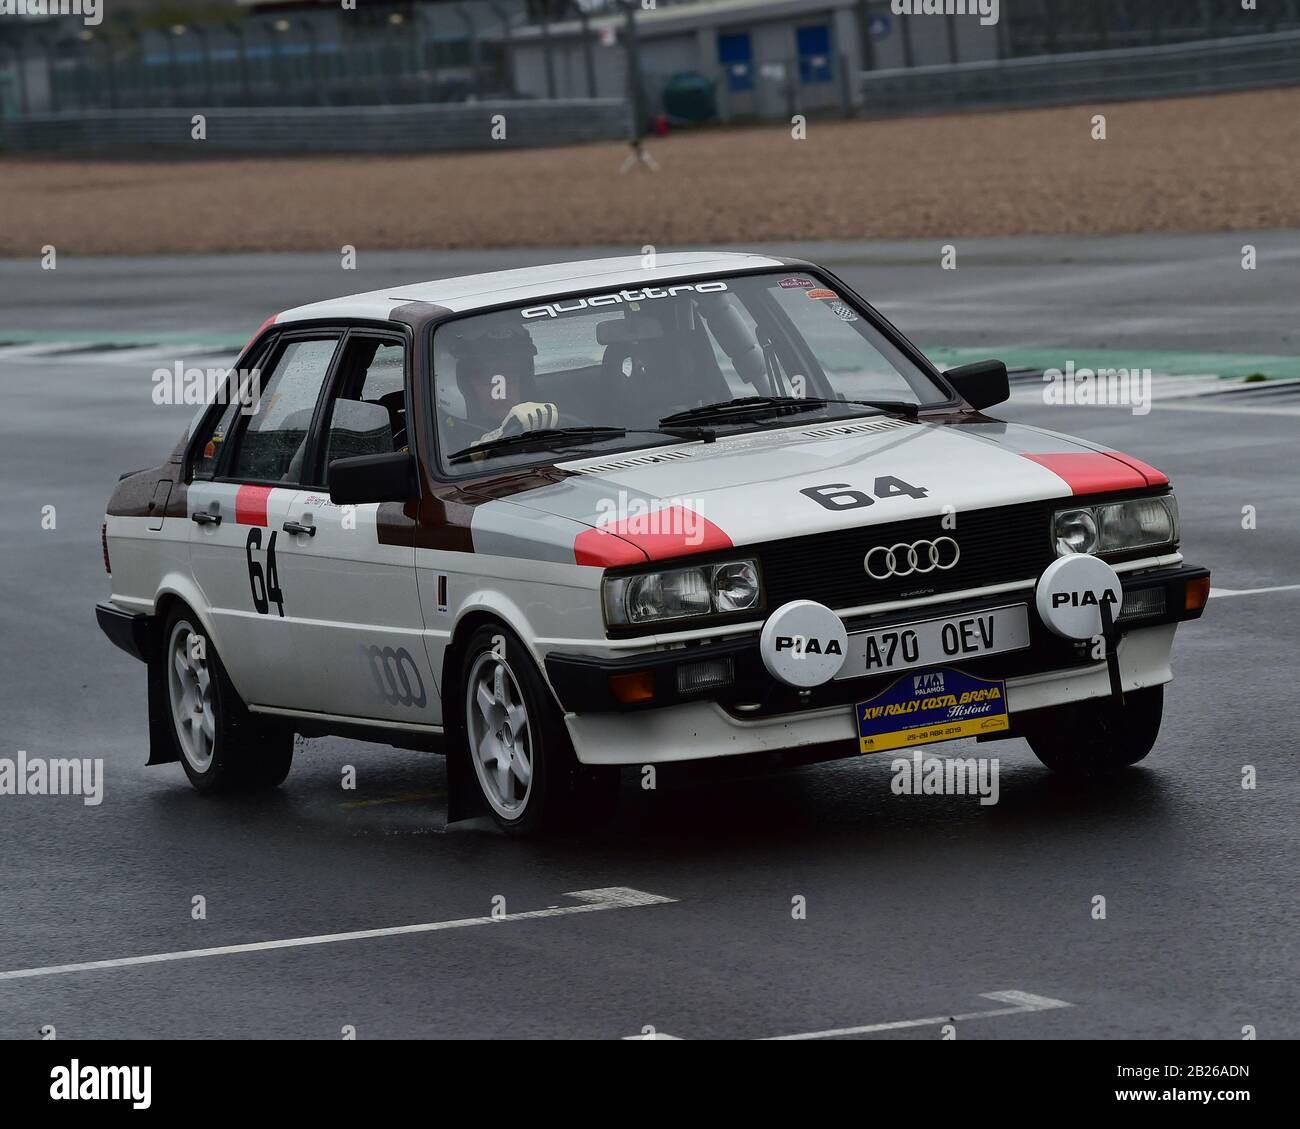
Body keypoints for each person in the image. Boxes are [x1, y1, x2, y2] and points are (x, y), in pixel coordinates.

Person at [444, 323, 559, 447]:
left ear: (524, 382)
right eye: (485, 378)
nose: (500, 389)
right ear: (464, 385)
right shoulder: (443, 441)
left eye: (510, 376)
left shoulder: (557, 422)